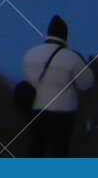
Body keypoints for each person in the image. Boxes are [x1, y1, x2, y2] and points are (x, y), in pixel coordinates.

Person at [22, 15, 93, 157]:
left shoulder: (30, 54)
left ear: (48, 33)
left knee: (36, 150)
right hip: (63, 113)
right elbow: (87, 83)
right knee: (59, 151)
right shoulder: (71, 57)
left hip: (36, 110)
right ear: (65, 36)